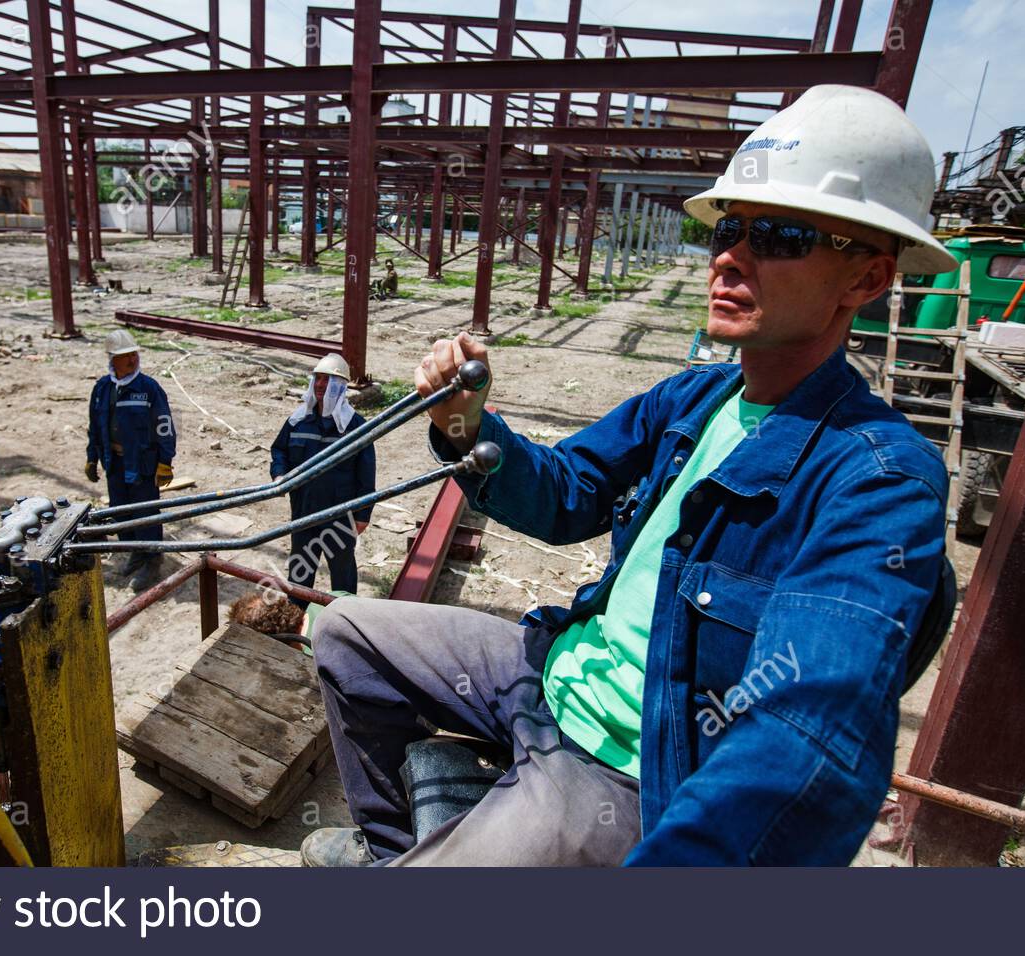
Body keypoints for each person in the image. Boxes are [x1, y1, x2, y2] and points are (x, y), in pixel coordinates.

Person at [300, 84, 957, 867]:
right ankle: (392, 850)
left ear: (867, 280)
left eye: (777, 235)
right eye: (730, 228)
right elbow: (567, 493)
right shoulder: (696, 398)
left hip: (621, 767)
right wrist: (465, 424)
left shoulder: (875, 480)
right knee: (345, 632)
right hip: (554, 669)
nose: (729, 256)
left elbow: (807, 734)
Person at [270, 354, 376, 607]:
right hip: (304, 512)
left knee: (342, 574)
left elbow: (366, 473)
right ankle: (296, 621)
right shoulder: (297, 421)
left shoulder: (354, 426)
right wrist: (279, 474)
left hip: (339, 516)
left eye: (327, 380)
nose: (320, 385)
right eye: (317, 379)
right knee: (300, 572)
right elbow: (279, 450)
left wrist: (363, 515)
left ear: (339, 386)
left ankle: (345, 620)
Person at [86, 329, 176, 592]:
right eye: (125, 356)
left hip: (143, 464)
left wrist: (165, 461)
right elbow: (95, 425)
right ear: (112, 360)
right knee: (120, 512)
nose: (132, 360)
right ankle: (134, 551)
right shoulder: (103, 388)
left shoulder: (148, 389)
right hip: (114, 463)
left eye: (134, 354)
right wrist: (92, 457)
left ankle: (152, 558)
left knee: (145, 513)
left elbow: (164, 426)